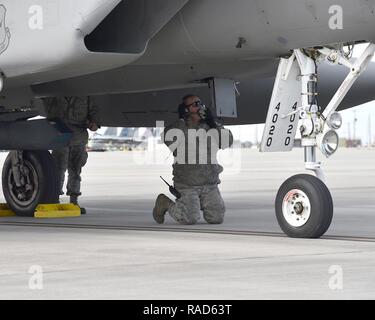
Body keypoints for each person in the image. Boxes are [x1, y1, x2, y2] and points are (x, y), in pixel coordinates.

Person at [153, 94, 233, 225]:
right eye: (195, 105)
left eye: (200, 103)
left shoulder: (210, 127)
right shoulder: (178, 129)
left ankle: (196, 203)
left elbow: (227, 142)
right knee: (189, 219)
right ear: (186, 110)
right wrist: (181, 121)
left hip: (209, 184)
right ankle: (164, 203)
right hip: (187, 185)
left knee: (216, 218)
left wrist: (213, 123)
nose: (200, 106)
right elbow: (168, 139)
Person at [42, 96, 100, 213]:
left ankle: (74, 201)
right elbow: (47, 108)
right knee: (58, 169)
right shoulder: (54, 94)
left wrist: (95, 123)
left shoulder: (85, 95)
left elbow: (93, 111)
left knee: (75, 170)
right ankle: (55, 199)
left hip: (78, 136)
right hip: (61, 135)